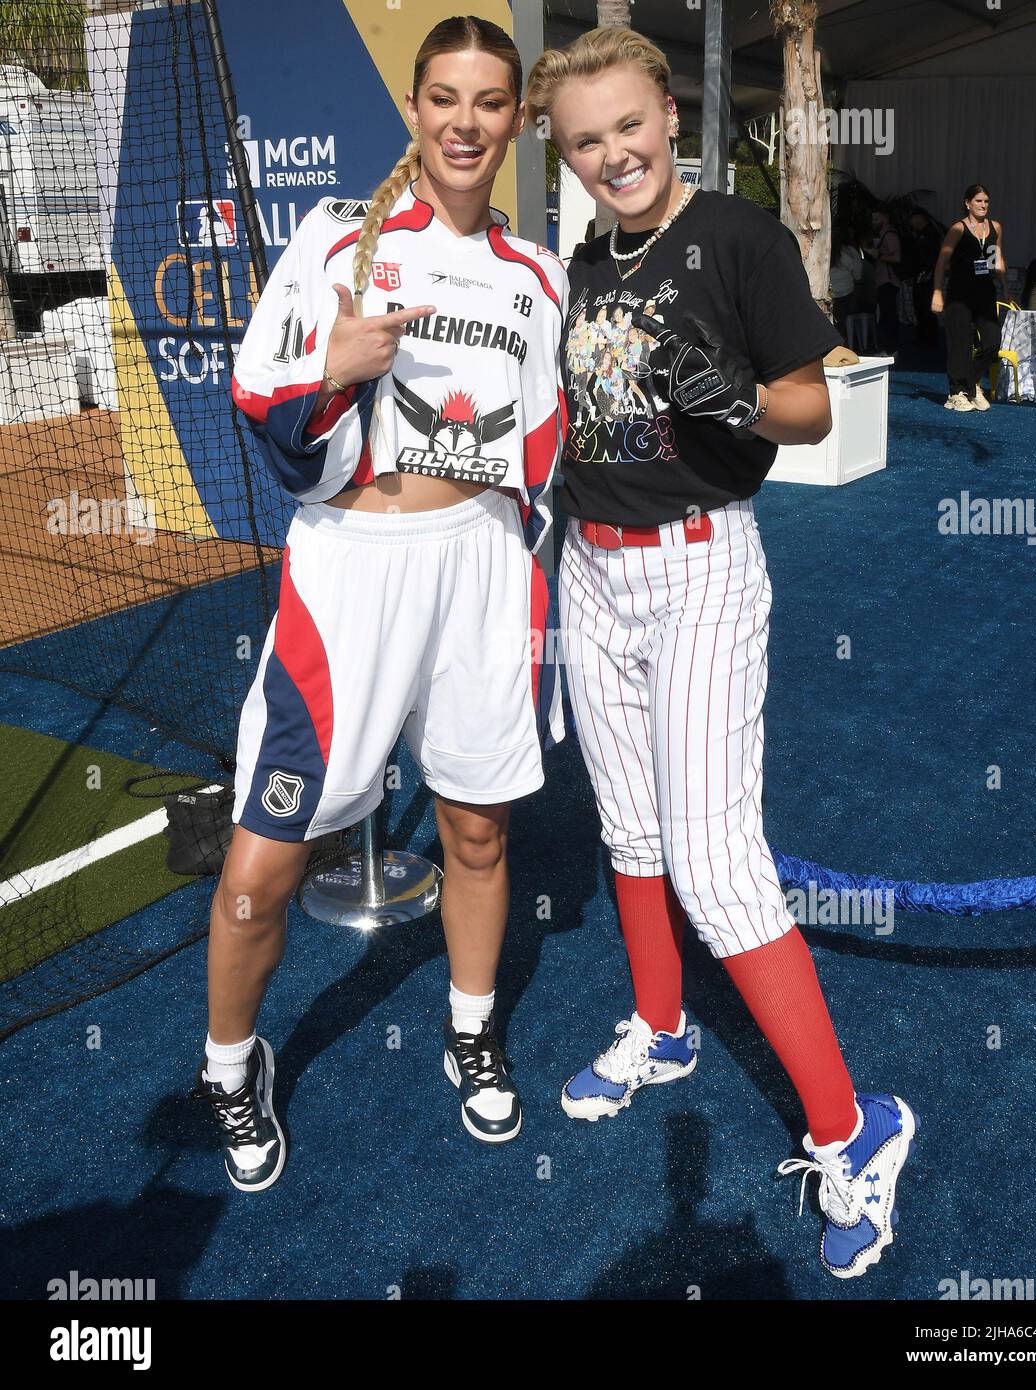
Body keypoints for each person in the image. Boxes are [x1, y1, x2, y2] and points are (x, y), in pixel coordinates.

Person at [526, 25, 918, 1281]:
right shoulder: (586, 264)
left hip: (699, 567)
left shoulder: (738, 237)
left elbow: (815, 401)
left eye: (627, 125)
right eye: (585, 141)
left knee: (716, 863)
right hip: (591, 568)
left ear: (669, 117)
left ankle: (855, 1130)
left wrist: (737, 397)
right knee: (629, 832)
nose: (611, 153)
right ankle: (659, 1024)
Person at [194, 15, 568, 1188]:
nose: (465, 122)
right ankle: (229, 1066)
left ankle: (468, 1030)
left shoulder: (537, 275)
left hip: (478, 561)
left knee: (474, 825)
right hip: (350, 568)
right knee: (261, 863)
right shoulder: (331, 241)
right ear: (413, 109)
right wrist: (332, 374)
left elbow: (546, 441)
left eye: (490, 103)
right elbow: (260, 394)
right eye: (444, 98)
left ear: (516, 122)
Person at [931, 184, 1005, 411]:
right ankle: (956, 393)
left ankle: (970, 383)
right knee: (960, 343)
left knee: (993, 342)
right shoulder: (958, 229)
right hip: (959, 293)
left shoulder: (995, 227)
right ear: (968, 203)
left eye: (986, 201)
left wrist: (1005, 286)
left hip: (985, 292)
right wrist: (937, 292)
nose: (983, 205)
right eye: (978, 201)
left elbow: (997, 257)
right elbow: (942, 261)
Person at [870, 204, 903, 357]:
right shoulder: (883, 234)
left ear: (885, 217)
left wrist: (878, 256)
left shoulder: (889, 235)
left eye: (877, 218)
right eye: (873, 219)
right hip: (883, 280)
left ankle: (890, 349)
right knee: (885, 315)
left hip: (888, 281)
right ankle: (888, 348)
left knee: (888, 316)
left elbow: (897, 257)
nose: (874, 221)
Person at [908, 207, 940, 348]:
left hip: (927, 276)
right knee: (920, 308)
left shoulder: (931, 234)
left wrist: (926, 271)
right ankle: (923, 337)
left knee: (925, 308)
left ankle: (928, 339)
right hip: (921, 275)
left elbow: (932, 257)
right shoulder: (919, 234)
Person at [829, 227, 863, 341]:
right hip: (846, 292)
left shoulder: (824, 250)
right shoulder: (848, 252)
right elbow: (857, 275)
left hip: (829, 292)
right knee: (842, 321)